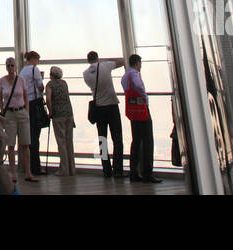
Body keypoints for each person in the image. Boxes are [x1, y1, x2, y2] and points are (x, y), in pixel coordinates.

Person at [84, 50, 125, 178]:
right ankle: (118, 170)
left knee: (102, 139)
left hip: (99, 109)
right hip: (112, 106)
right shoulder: (105, 66)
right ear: (97, 58)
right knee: (117, 139)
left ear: (88, 60)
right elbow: (121, 62)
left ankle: (106, 170)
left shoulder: (85, 74)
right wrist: (107, 60)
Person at [0, 57, 37, 182]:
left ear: (15, 67)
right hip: (9, 114)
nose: (10, 68)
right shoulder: (2, 81)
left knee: (25, 144)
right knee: (10, 145)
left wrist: (26, 111)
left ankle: (28, 172)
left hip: (21, 112)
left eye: (12, 65)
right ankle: (13, 173)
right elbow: (0, 97)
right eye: (8, 65)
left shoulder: (20, 80)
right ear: (6, 67)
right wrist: (3, 110)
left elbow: (26, 96)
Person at [122, 54, 159, 183]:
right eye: (140, 63)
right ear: (137, 63)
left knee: (136, 141)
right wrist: (145, 97)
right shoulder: (135, 74)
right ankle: (147, 173)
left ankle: (133, 172)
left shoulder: (125, 75)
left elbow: (126, 88)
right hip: (141, 109)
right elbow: (138, 86)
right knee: (148, 140)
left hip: (132, 110)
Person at [45, 66, 75, 176]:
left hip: (58, 116)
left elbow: (48, 99)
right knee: (69, 142)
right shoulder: (64, 83)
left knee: (61, 142)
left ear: (52, 74)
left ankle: (64, 170)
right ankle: (72, 168)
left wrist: (50, 111)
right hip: (69, 114)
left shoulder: (50, 84)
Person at [22, 50, 48, 176]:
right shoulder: (34, 70)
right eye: (37, 59)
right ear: (34, 59)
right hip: (35, 103)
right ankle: (36, 167)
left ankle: (30, 166)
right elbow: (40, 86)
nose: (38, 62)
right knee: (35, 136)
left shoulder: (22, 71)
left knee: (30, 134)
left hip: (25, 104)